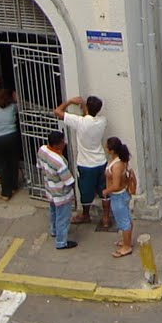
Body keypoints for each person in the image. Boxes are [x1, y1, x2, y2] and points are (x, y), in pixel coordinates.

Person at [55, 95, 109, 227]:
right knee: (104, 191)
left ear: (87, 107)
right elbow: (89, 116)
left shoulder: (79, 122)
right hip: (101, 161)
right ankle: (106, 218)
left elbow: (57, 112)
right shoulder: (102, 121)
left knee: (85, 191)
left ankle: (85, 215)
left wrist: (70, 102)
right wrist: (85, 108)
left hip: (86, 164)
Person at [37, 129, 79, 250]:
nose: (64, 143)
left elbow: (39, 166)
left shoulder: (42, 150)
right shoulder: (59, 161)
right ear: (57, 144)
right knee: (63, 217)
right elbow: (69, 181)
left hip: (50, 189)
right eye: (62, 142)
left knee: (53, 212)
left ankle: (54, 230)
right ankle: (61, 242)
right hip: (61, 194)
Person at [102, 137, 136, 259]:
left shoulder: (116, 166)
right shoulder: (120, 160)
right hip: (122, 195)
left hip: (118, 196)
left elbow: (116, 185)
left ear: (112, 150)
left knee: (124, 222)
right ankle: (126, 241)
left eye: (107, 147)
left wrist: (106, 191)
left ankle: (126, 247)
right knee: (126, 218)